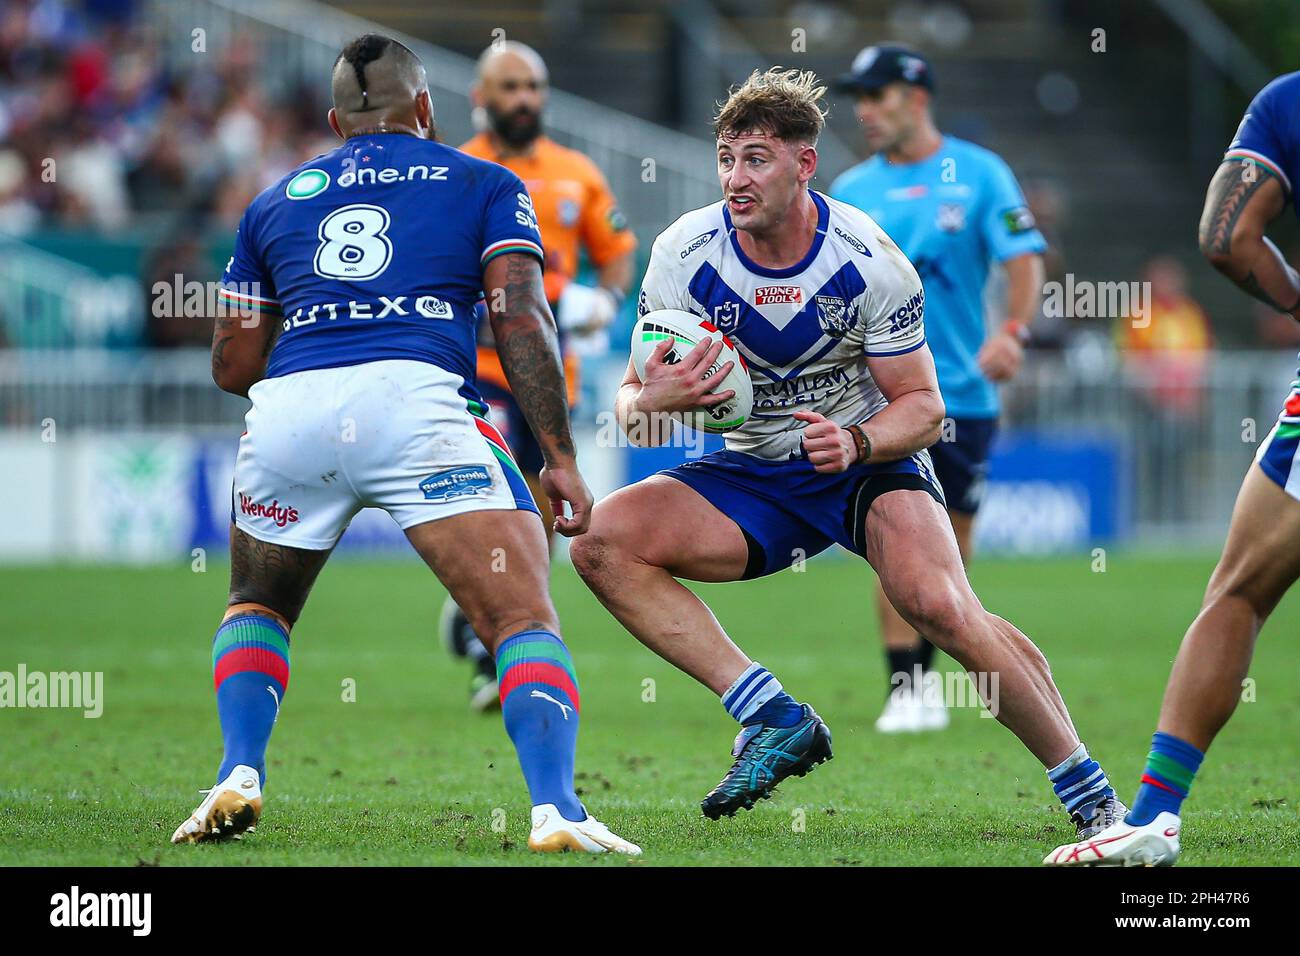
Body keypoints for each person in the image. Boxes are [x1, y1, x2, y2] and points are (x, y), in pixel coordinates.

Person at [569, 67, 1122, 836]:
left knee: (938, 608)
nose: (736, 177)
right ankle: (772, 714)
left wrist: (856, 439)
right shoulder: (682, 255)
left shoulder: (868, 261)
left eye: (757, 158)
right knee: (600, 545)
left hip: (865, 462)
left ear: (805, 164)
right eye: (727, 157)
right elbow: (634, 406)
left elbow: (925, 409)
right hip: (754, 470)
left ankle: (1095, 801)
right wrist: (650, 403)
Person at [171, 33, 639, 855]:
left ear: (334, 119)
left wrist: (314, 379)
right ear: (427, 109)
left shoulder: (275, 200)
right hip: (416, 402)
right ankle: (557, 809)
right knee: (521, 614)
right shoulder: (486, 182)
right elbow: (522, 318)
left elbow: (231, 361)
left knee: (256, 603)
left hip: (291, 408)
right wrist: (559, 457)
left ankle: (238, 771)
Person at [1045, 71, 1300, 867]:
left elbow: (1227, 236)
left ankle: (1154, 816)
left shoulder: (1288, 101)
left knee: (1238, 592)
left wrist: (1294, 299)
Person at [829, 45, 1046, 732]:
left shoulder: (979, 175)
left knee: (952, 541)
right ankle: (906, 687)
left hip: (960, 396)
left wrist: (1012, 331)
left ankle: (933, 673)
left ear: (916, 98)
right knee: (894, 532)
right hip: (879, 398)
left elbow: (1024, 259)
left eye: (877, 97)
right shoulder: (852, 189)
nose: (865, 111)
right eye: (859, 99)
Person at [443, 41, 637, 710]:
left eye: (533, 86)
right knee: (495, 508)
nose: (524, 98)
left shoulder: (576, 173)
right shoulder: (458, 170)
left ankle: (481, 624)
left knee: (537, 516)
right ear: (481, 96)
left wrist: (606, 301)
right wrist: (555, 297)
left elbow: (616, 253)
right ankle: (496, 640)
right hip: (481, 368)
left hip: (553, 377)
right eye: (510, 86)